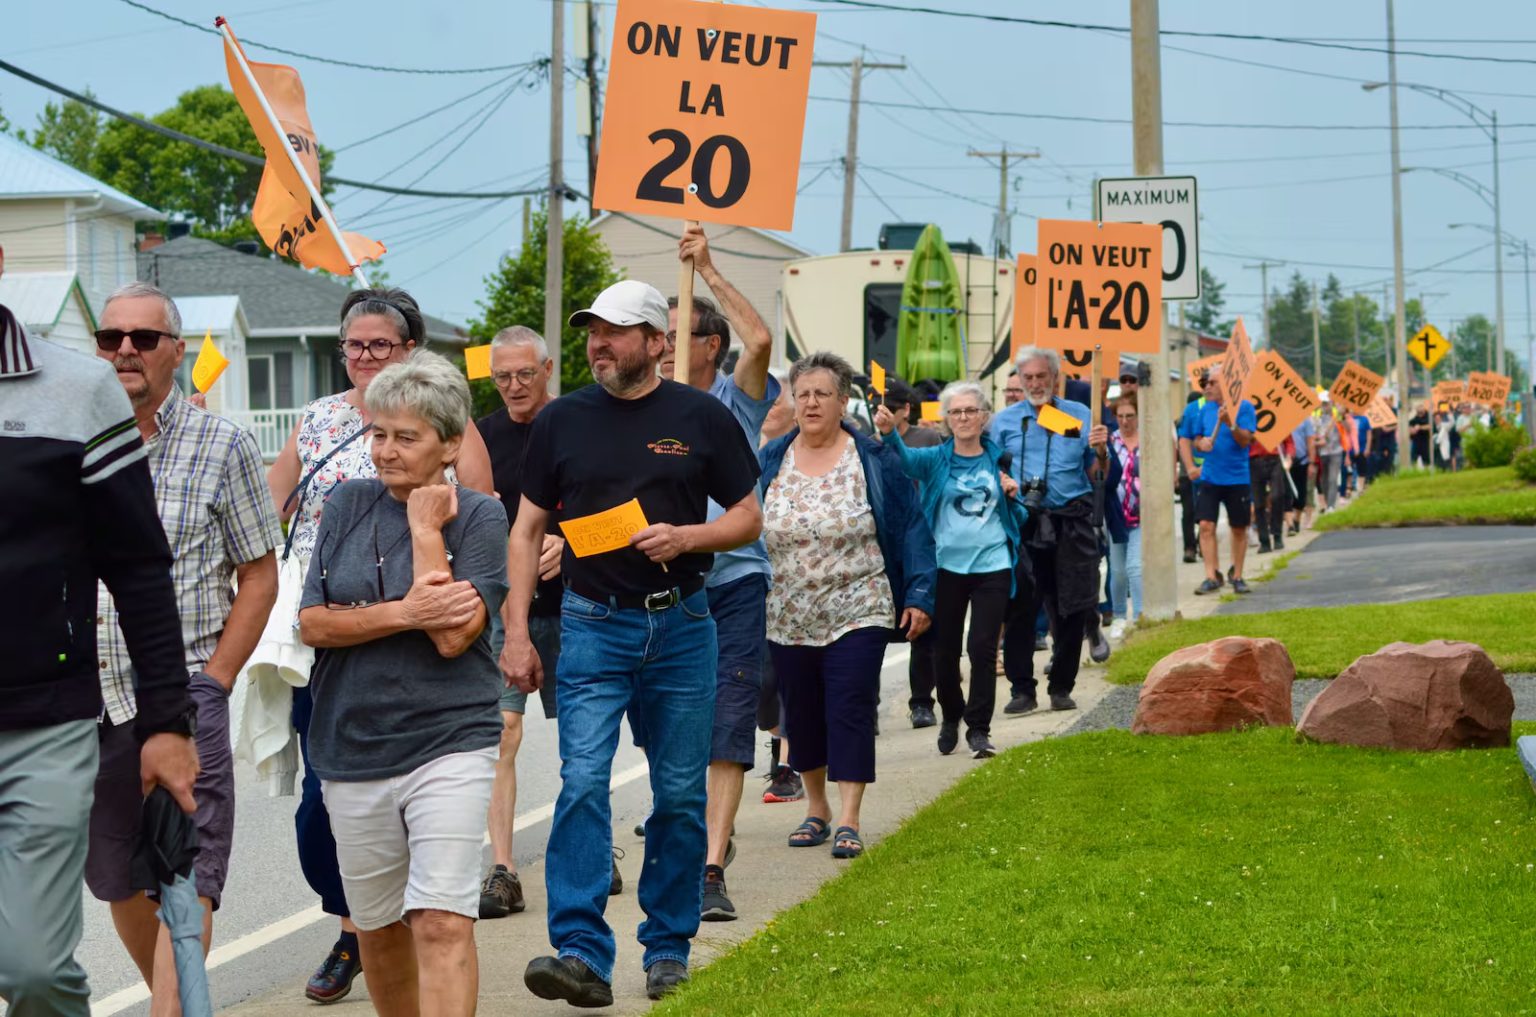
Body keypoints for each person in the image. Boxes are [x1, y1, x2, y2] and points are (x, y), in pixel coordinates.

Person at [502, 279, 763, 1006]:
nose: (599, 343)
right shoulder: (561, 421)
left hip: (682, 625)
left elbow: (748, 517)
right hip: (591, 623)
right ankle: (581, 951)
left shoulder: (699, 417)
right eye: (592, 330)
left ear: (657, 342)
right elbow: (526, 530)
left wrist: (689, 535)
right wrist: (517, 630)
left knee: (678, 795)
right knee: (582, 781)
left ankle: (667, 946)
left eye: (616, 331)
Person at [264, 288, 495, 1003]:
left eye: (406, 437)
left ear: (448, 443)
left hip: (451, 734)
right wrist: (403, 611)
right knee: (378, 925)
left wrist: (427, 530)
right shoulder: (343, 500)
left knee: (441, 918)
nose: (386, 449)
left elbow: (456, 635)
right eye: (380, 435)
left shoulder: (477, 512)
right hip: (350, 732)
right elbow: (315, 623)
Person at [0, 263, 198, 1017]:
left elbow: (140, 570)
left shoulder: (80, 390)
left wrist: (167, 721)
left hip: (44, 725)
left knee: (33, 969)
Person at [86, 283, 281, 1016]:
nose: (126, 350)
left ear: (176, 350)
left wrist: (214, 682)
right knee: (119, 882)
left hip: (183, 699)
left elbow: (260, 570)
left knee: (188, 877)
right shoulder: (72, 443)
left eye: (142, 337)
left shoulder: (222, 442)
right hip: (91, 704)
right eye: (111, 338)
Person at [760, 353, 935, 857]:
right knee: (803, 712)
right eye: (803, 394)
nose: (811, 402)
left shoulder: (875, 459)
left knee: (850, 705)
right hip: (789, 610)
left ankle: (850, 818)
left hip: (860, 603)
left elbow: (912, 526)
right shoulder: (772, 459)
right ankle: (816, 809)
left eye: (822, 393)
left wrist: (920, 594)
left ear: (843, 402)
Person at [659, 224, 779, 924]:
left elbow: (759, 340)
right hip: (663, 588)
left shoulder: (738, 399)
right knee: (676, 724)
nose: (665, 341)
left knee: (731, 719)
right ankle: (687, 834)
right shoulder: (639, 408)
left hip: (732, 582)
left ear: (708, 345)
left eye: (677, 331)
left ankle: (710, 864)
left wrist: (705, 269)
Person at [875, 381, 1019, 759]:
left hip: (993, 565)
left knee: (983, 649)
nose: (964, 417)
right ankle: (951, 716)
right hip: (946, 566)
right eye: (956, 412)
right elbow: (904, 460)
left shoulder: (998, 459)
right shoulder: (936, 458)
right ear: (946, 419)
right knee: (945, 652)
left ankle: (979, 729)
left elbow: (1016, 517)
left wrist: (1012, 496)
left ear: (984, 417)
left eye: (971, 411)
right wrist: (889, 433)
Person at [475, 326, 562, 921]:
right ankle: (503, 869)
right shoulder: (480, 437)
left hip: (577, 607)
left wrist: (568, 546)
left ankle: (590, 846)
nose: (512, 386)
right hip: (506, 612)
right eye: (501, 376)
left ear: (547, 369)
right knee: (501, 735)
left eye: (523, 374)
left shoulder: (581, 423)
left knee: (585, 739)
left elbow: (617, 510)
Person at [989, 346, 1110, 715]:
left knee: (1073, 607)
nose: (1036, 383)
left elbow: (1098, 474)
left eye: (1042, 376)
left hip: (1070, 520)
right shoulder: (1006, 421)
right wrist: (1004, 481)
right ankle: (1021, 689)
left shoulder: (1078, 415)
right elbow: (991, 467)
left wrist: (1102, 452)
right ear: (1020, 381)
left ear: (1055, 377)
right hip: (1023, 520)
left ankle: (1061, 684)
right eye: (1028, 377)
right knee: (1020, 608)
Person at [1185, 367, 1257, 596]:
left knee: (1238, 528)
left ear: (1226, 384)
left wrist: (1230, 423)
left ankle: (1237, 576)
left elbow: (1245, 440)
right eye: (1205, 383)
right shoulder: (1205, 410)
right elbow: (1196, 438)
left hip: (1237, 478)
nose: (1206, 387)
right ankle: (1211, 575)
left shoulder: (1244, 408)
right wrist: (1201, 444)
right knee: (1206, 526)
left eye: (1212, 383)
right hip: (1210, 477)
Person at [1105, 394, 1142, 639]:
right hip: (1116, 513)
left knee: (1135, 567)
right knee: (1117, 570)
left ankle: (1140, 617)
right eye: (1120, 417)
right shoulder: (1110, 441)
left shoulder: (1147, 440)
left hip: (1141, 511)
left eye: (1130, 416)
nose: (1125, 421)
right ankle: (1119, 615)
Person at [1177, 389, 1206, 563]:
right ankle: (1192, 547)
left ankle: (1194, 546)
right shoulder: (1181, 422)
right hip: (1188, 474)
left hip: (1196, 473)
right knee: (1194, 513)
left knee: (1193, 513)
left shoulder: (1202, 420)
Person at [1286, 414, 1316, 535]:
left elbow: (1310, 441)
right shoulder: (1282, 417)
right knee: (1286, 494)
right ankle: (1290, 524)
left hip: (1301, 461)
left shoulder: (1305, 420)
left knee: (1301, 493)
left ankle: (1296, 519)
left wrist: (1311, 462)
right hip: (1286, 462)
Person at [1315, 399, 1347, 511]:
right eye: (1323, 404)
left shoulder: (1338, 417)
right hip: (1322, 453)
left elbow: (1348, 430)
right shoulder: (1317, 419)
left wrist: (1342, 416)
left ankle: (1331, 506)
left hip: (1336, 452)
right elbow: (1320, 434)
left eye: (1327, 404)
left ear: (1331, 404)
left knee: (1333, 479)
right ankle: (1327, 501)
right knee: (1323, 480)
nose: (1325, 406)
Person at [1408, 401, 1432, 468]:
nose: (1420, 408)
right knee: (1413, 460)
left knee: (1426, 461)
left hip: (1425, 441)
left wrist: (1420, 427)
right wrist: (1411, 430)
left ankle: (1427, 472)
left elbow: (1430, 426)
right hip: (1416, 442)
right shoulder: (1414, 419)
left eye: (1421, 406)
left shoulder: (1428, 417)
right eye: (1418, 407)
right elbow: (1409, 428)